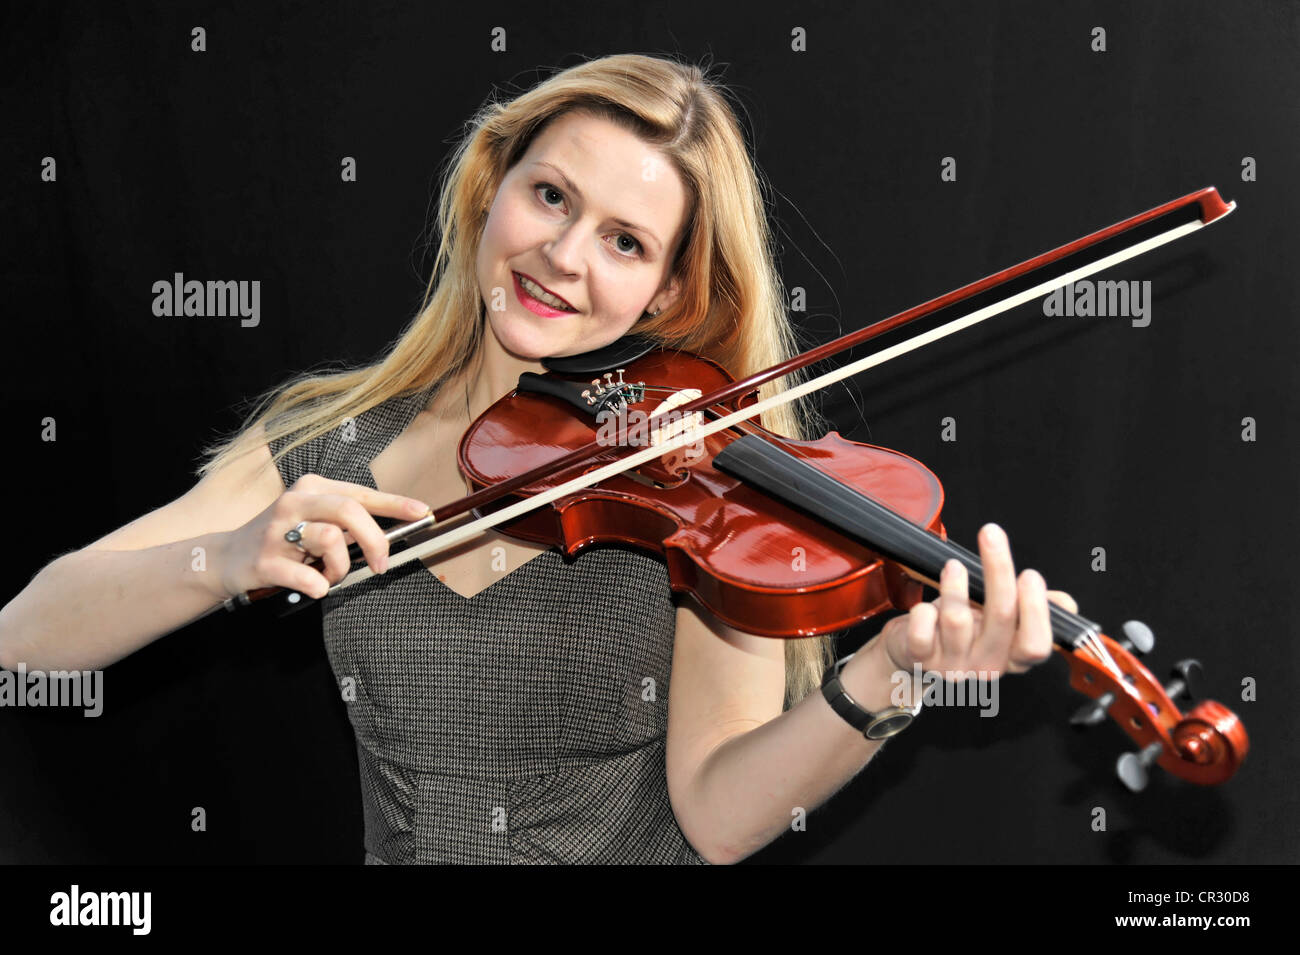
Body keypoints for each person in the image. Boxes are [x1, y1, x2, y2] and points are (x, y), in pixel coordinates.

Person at [0, 53, 1076, 864]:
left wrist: (886, 675)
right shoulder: (330, 437)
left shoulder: (701, 480)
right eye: (550, 195)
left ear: (667, 291)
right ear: (490, 187)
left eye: (625, 241)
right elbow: (23, 640)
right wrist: (225, 558)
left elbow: (718, 812)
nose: (561, 257)